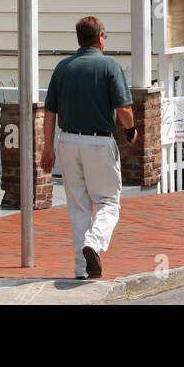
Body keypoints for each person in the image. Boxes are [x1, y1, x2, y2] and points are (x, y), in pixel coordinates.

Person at [41, 16, 136, 280]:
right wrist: (130, 129)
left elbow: (50, 112)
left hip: (68, 141)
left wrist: (48, 148)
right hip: (99, 141)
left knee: (79, 207)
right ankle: (94, 244)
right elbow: (124, 110)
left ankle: (81, 269)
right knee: (108, 201)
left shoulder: (63, 67)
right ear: (99, 38)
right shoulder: (109, 66)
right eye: (105, 36)